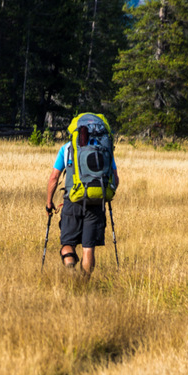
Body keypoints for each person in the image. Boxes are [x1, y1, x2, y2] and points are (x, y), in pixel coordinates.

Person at [46, 113, 118, 274]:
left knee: (67, 245)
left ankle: (71, 273)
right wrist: (105, 193)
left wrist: (49, 202)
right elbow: (116, 178)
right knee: (88, 248)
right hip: (97, 202)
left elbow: (54, 177)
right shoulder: (104, 147)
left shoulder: (67, 148)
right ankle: (83, 284)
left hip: (73, 200)